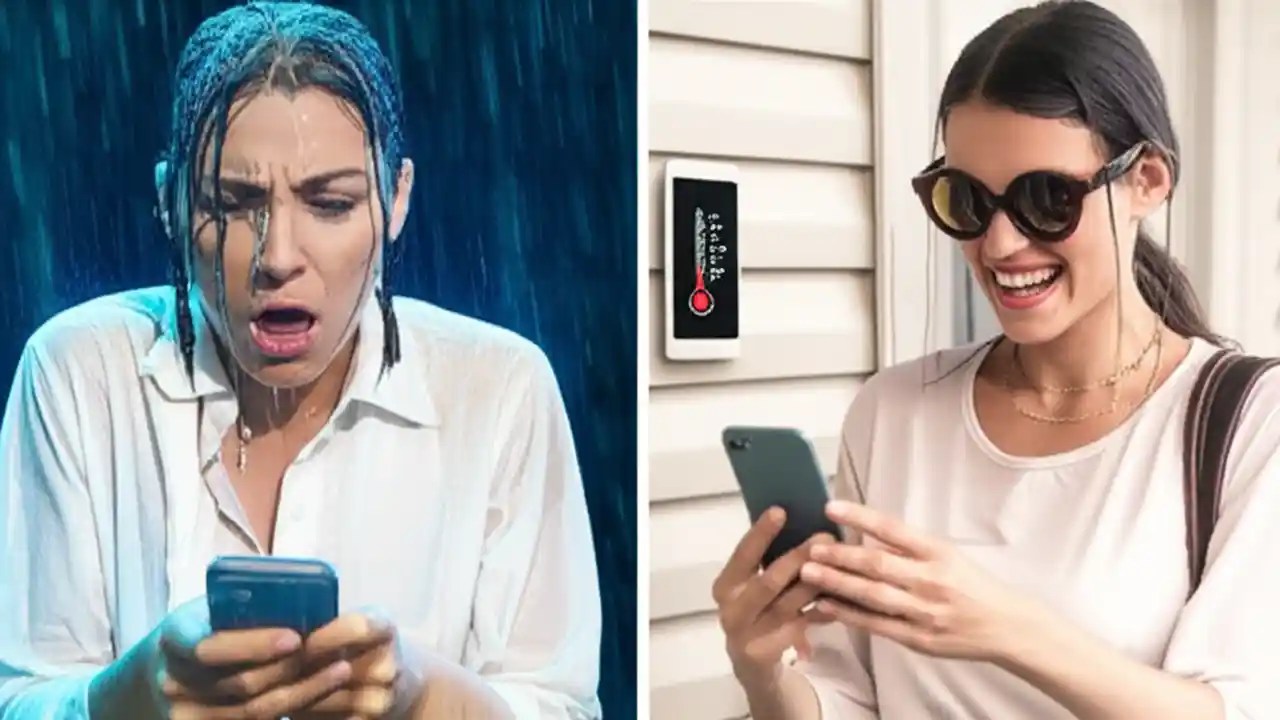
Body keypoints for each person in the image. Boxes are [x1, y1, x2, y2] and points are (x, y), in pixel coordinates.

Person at [0, 3, 602, 718]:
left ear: (397, 198)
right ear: (169, 203)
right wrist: (129, 694)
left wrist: (420, 691)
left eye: (331, 203)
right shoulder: (78, 374)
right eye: (232, 203)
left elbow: (560, 705)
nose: (278, 257)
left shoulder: (499, 390)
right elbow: (21, 695)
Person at [713, 2, 1279, 718]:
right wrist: (765, 674)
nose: (1001, 244)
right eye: (967, 200)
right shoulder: (894, 413)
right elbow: (851, 698)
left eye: (1047, 197)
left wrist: (1004, 629)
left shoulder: (1250, 422)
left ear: (1148, 181)